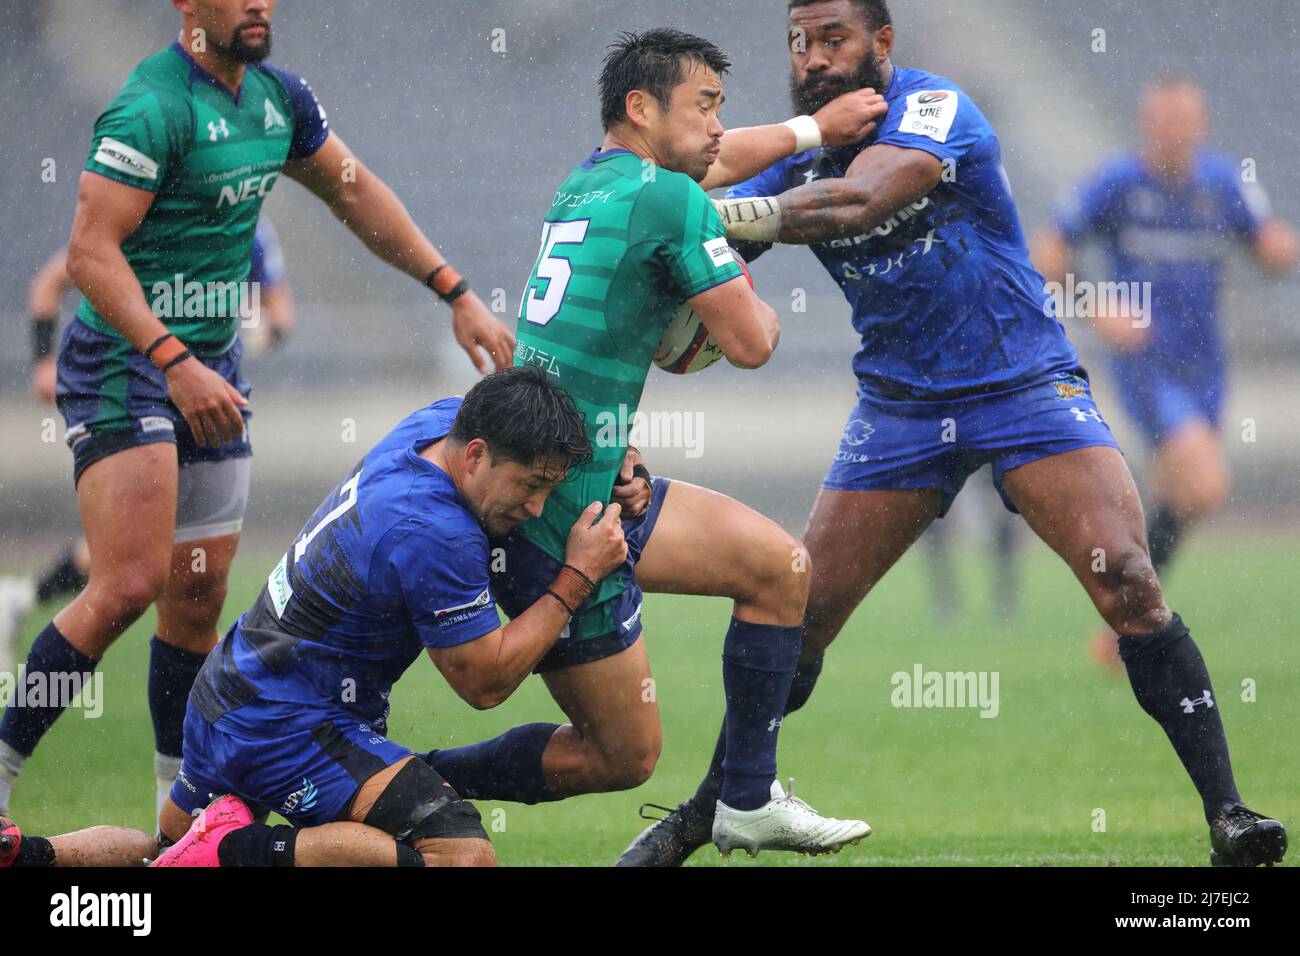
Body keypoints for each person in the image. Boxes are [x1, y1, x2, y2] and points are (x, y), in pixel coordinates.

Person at [618, 0, 1286, 868]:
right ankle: (706, 813)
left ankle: (1228, 817)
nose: (813, 58)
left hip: (1023, 386)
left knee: (1127, 578)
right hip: (899, 408)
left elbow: (860, 200)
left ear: (881, 44)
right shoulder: (799, 152)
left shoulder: (934, 108)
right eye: (799, 42)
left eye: (833, 39)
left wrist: (719, 215)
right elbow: (705, 234)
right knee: (800, 617)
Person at [0, 0, 515, 818]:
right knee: (129, 582)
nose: (259, 3)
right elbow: (88, 256)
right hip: (127, 364)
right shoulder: (150, 106)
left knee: (197, 594)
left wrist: (452, 290)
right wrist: (172, 360)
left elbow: (357, 192)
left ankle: (180, 815)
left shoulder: (280, 98)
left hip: (212, 369)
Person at [424, 28, 880, 859]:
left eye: (720, 110)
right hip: (560, 514)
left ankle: (746, 799)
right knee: (622, 756)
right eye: (703, 107)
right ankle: (412, 783)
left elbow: (717, 168)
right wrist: (748, 246)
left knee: (780, 570)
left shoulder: (589, 183)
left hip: (596, 481)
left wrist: (815, 132)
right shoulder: (670, 202)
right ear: (641, 108)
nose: (716, 126)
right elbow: (750, 344)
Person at [5, 366, 624, 868]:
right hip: (289, 727)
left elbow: (519, 416)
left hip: (230, 690)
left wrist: (626, 467)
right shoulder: (435, 532)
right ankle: (232, 852)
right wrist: (577, 578)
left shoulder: (439, 423)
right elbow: (484, 683)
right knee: (457, 852)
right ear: (478, 455)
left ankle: (27, 855)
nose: (539, 506)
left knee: (163, 861)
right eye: (531, 485)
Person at [1032, 74, 1299, 667]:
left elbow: (1268, 247)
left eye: (1181, 123)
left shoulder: (1224, 183)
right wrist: (1092, 304)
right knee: (1204, 482)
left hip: (1206, 364)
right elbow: (1048, 252)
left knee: (1187, 494)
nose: (1170, 135)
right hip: (1146, 364)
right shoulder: (1118, 184)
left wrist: (1281, 249)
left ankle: (1127, 620)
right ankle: (1134, 616)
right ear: (1144, 126)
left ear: (1200, 127)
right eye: (1159, 123)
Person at [0, 217, 295, 673]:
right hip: (130, 394)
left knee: (150, 558)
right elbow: (50, 284)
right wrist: (43, 364)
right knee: (134, 569)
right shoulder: (155, 212)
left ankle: (22, 598)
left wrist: (266, 331)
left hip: (203, 404)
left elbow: (279, 309)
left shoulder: (248, 227)